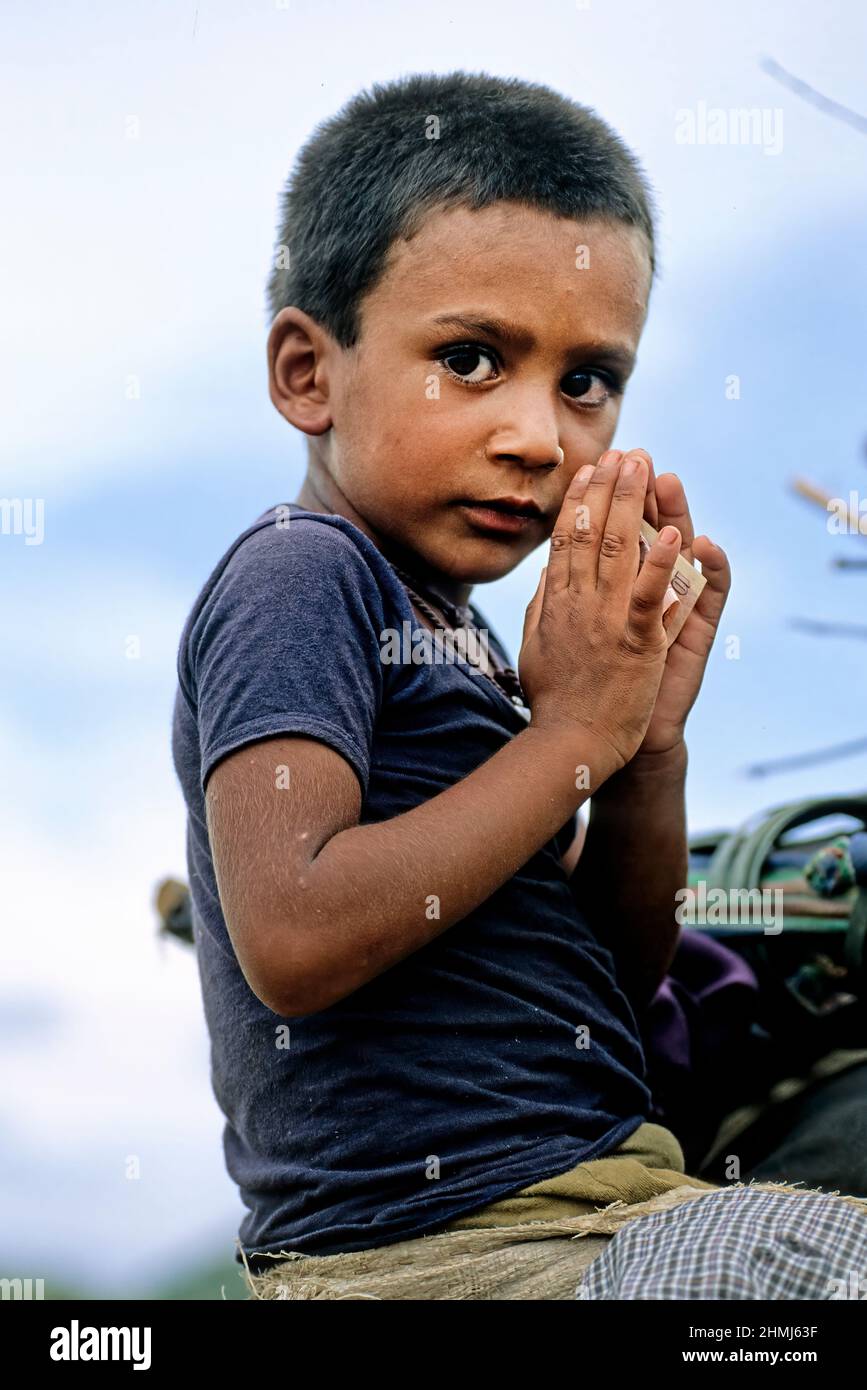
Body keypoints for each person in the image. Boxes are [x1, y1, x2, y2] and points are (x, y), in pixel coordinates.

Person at [171, 72, 862, 1301]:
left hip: (611, 1204)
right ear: (305, 372)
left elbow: (612, 975)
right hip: (442, 1254)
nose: (543, 436)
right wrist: (575, 734)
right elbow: (294, 935)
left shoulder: (480, 654)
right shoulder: (301, 576)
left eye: (588, 381)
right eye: (473, 358)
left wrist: (643, 751)